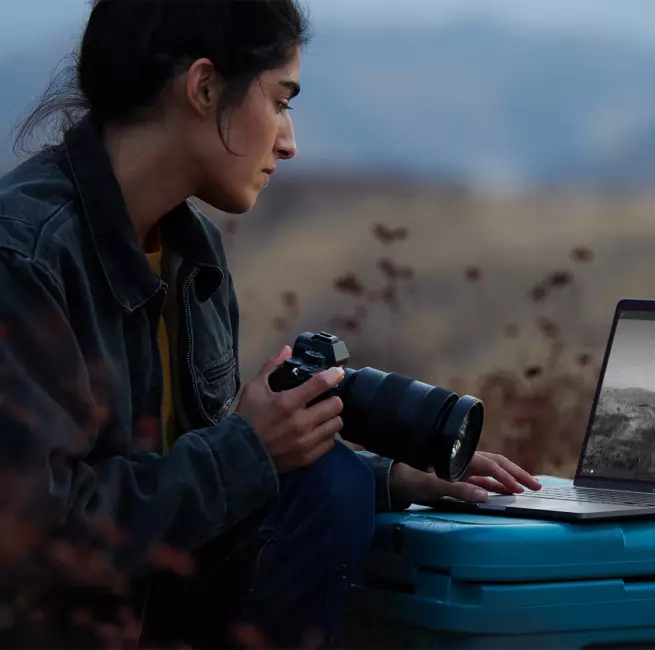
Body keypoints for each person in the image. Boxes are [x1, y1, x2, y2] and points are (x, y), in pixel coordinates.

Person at [0, 1, 542, 647]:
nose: (289, 141)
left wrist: (390, 479)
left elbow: (185, 481)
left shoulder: (190, 253)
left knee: (337, 482)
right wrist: (250, 450)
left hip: (145, 607)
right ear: (203, 88)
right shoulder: (23, 258)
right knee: (329, 488)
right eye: (280, 101)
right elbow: (32, 535)